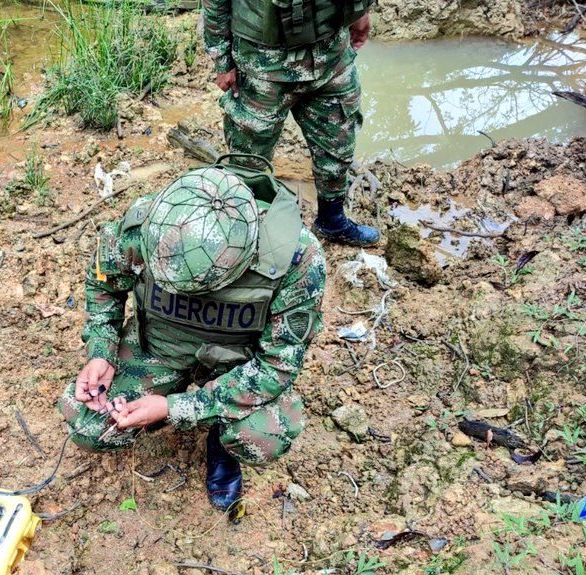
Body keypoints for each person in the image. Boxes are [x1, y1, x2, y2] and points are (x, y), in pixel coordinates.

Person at [58, 161, 325, 510]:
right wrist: (101, 350)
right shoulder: (149, 224)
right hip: (159, 347)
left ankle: (220, 438)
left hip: (239, 367)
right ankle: (154, 404)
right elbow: (104, 283)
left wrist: (175, 408)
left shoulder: (295, 258)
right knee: (86, 422)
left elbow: (277, 366)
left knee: (263, 435)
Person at [203, 0, 379, 246]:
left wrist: (360, 11)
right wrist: (222, 59)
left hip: (331, 53)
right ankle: (244, 230)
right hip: (263, 63)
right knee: (249, 156)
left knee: (338, 139)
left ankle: (332, 221)